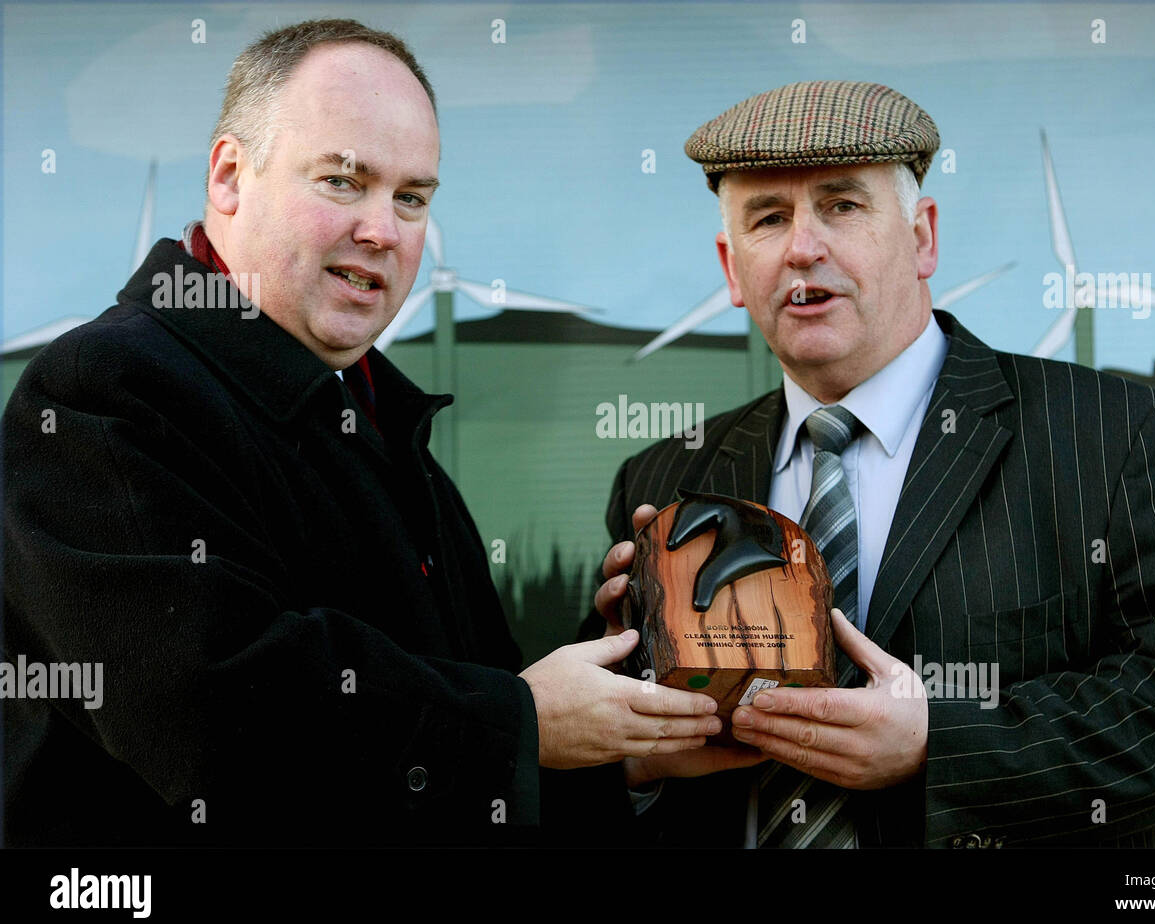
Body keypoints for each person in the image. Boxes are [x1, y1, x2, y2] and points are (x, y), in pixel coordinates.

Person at [1, 18, 715, 847]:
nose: (385, 229)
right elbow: (215, 717)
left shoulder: (386, 425)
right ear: (230, 176)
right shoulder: (106, 392)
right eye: (344, 181)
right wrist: (518, 723)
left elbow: (450, 763)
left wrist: (622, 745)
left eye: (412, 197)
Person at [586, 80, 1155, 847]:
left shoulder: (1114, 434)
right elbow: (601, 770)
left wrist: (935, 746)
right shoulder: (659, 484)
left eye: (843, 206)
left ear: (922, 238)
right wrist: (637, 753)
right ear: (732, 269)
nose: (804, 246)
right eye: (769, 218)